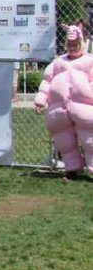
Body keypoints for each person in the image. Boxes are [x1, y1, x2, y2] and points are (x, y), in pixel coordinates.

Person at [35, 24, 93, 181]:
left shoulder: (89, 61)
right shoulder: (58, 62)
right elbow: (47, 82)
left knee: (90, 140)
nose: (72, 48)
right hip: (60, 110)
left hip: (85, 109)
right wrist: (40, 100)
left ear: (81, 44)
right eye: (70, 45)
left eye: (75, 45)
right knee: (64, 142)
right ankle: (72, 169)